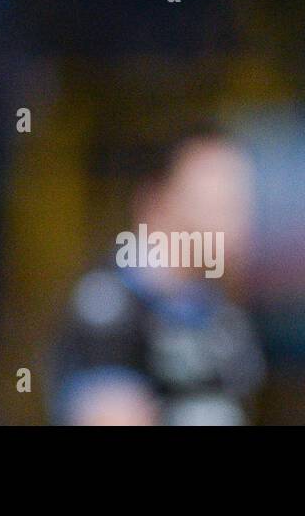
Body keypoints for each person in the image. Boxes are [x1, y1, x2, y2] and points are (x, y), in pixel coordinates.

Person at [47, 127, 265, 425]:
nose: (236, 223)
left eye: (240, 203)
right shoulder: (107, 309)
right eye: (218, 204)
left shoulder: (221, 314)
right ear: (157, 203)